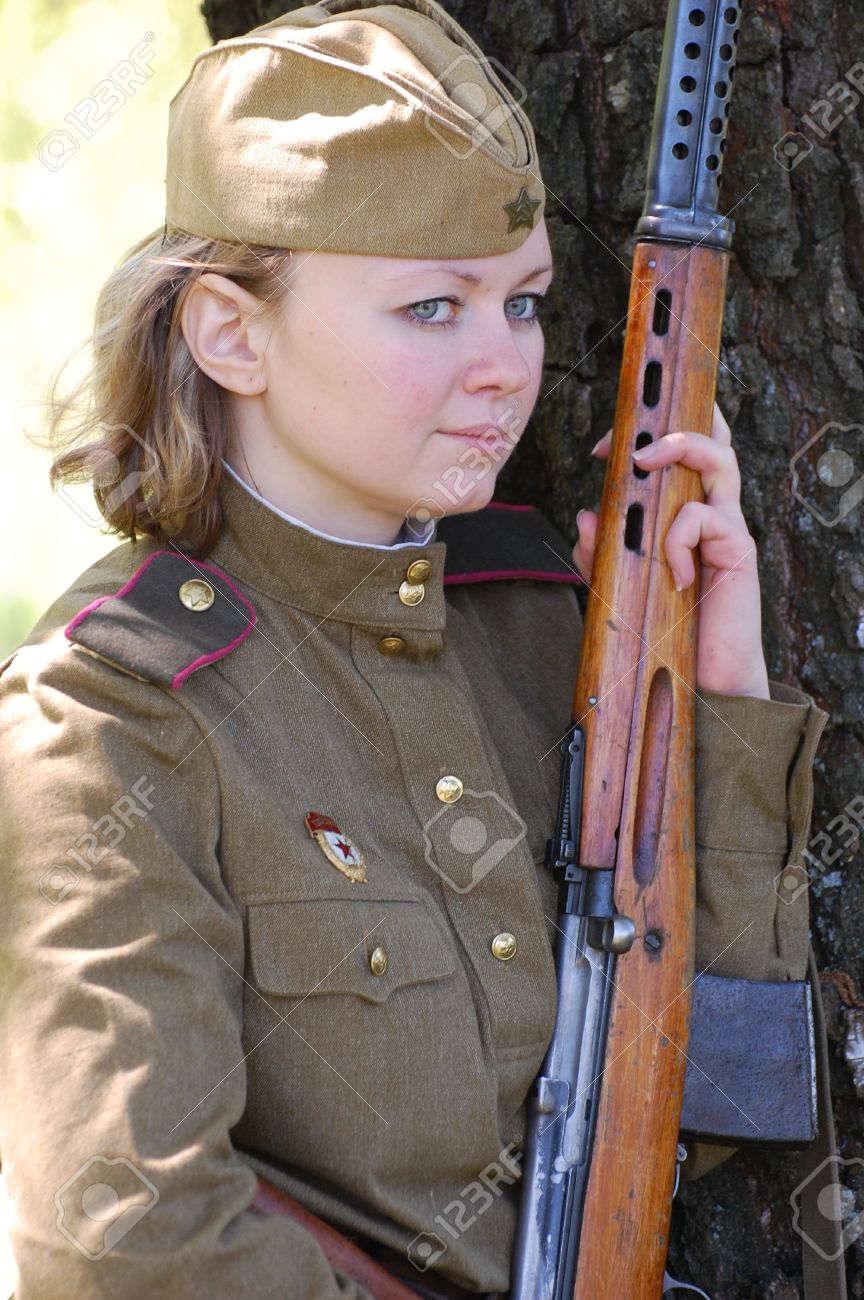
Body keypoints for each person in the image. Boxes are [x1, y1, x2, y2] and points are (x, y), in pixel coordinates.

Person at [0, 1, 834, 1296]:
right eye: (434, 307)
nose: (506, 367)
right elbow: (127, 1247)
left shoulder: (539, 626)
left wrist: (717, 696)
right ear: (231, 334)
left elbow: (712, 1095)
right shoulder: (110, 723)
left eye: (525, 304)